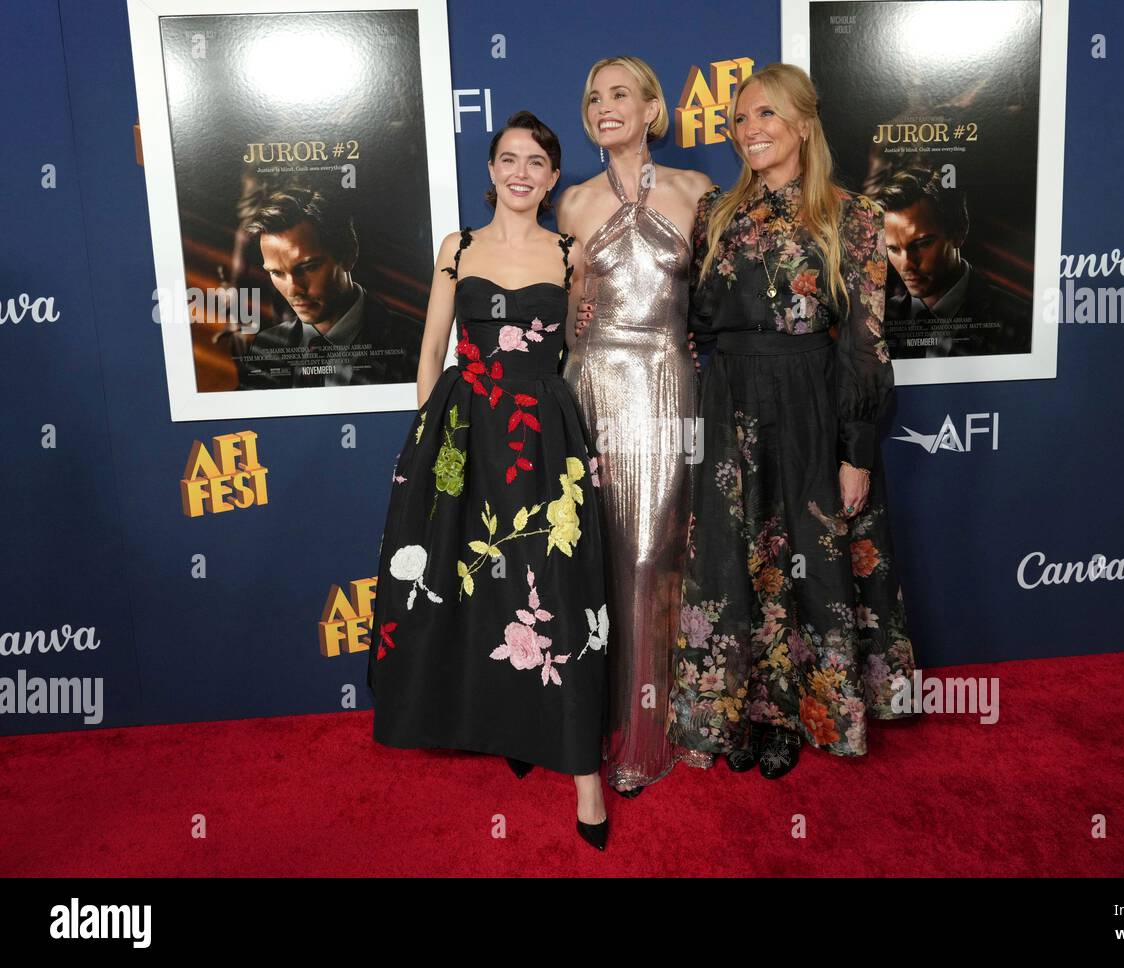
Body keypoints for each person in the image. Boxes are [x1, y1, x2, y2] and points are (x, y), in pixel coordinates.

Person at [367, 111, 611, 850]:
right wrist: (433, 450)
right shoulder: (458, 246)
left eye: (536, 162)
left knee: (556, 586)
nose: (521, 172)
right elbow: (431, 351)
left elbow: (576, 348)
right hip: (463, 435)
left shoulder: (571, 252)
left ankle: (584, 775)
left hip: (543, 439)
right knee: (475, 584)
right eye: (508, 159)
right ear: (490, 170)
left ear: (553, 176)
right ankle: (507, 720)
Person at [667, 63, 918, 781]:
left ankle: (802, 716)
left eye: (767, 116)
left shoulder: (854, 217)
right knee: (732, 563)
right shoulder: (717, 211)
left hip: (812, 402)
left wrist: (857, 450)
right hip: (730, 406)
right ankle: (741, 713)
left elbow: (866, 343)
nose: (751, 131)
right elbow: (696, 321)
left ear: (804, 124)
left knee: (806, 560)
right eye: (741, 119)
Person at [558, 56, 714, 798]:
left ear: (654, 108)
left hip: (667, 384)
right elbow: (566, 315)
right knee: (598, 555)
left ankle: (658, 727)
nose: (604, 106)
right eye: (594, 98)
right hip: (591, 385)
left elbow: (725, 300)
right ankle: (596, 722)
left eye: (620, 94)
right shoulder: (575, 203)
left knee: (656, 552)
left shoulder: (697, 191)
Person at [239, 188, 422, 388]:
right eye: (276, 273)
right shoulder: (266, 346)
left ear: (349, 255)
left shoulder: (417, 344)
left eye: (308, 267)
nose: (292, 290)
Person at [875, 167, 1031, 358]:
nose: (906, 264)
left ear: (959, 232)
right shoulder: (876, 318)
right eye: (893, 249)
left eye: (922, 244)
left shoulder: (1021, 320)